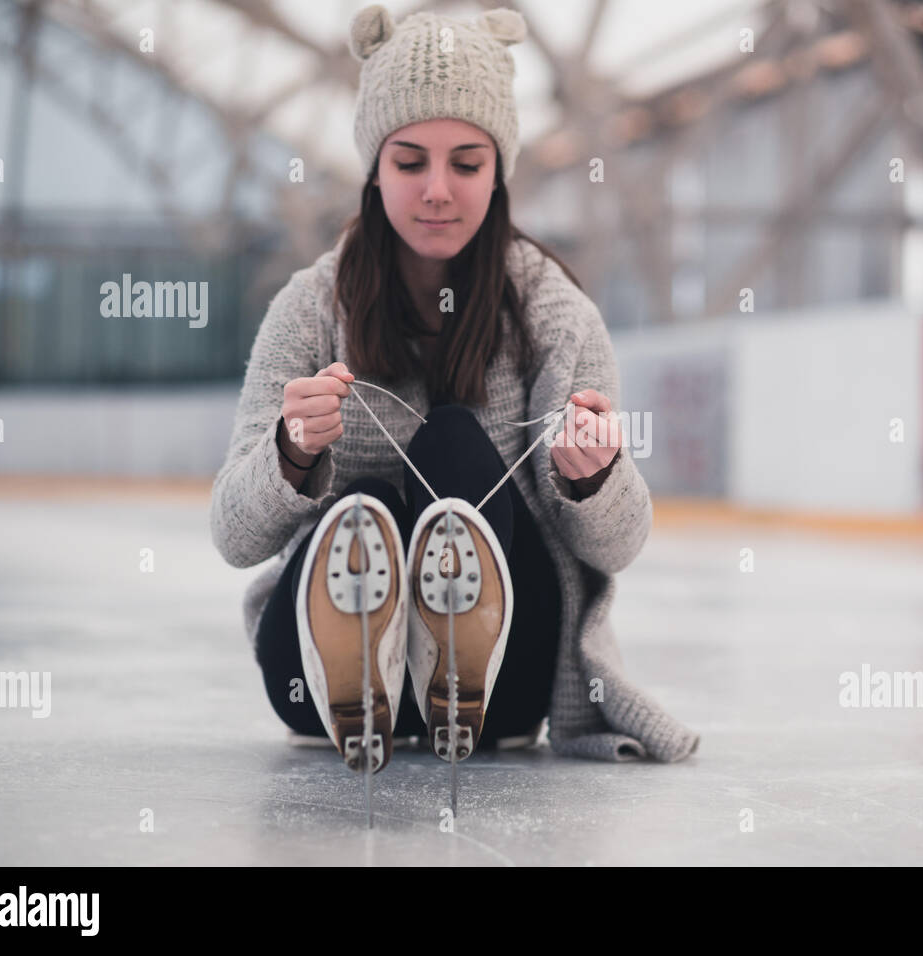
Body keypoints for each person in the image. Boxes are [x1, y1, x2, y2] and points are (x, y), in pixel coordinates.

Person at [209, 4, 700, 767]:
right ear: (374, 167)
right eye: (410, 162)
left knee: (454, 442)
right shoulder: (311, 308)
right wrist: (290, 454)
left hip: (503, 688)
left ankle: (455, 654)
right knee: (353, 508)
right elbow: (233, 536)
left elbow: (623, 541)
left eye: (466, 163)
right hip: (315, 686)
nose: (438, 190)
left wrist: (595, 476)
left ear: (499, 170)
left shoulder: (557, 316)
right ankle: (365, 655)